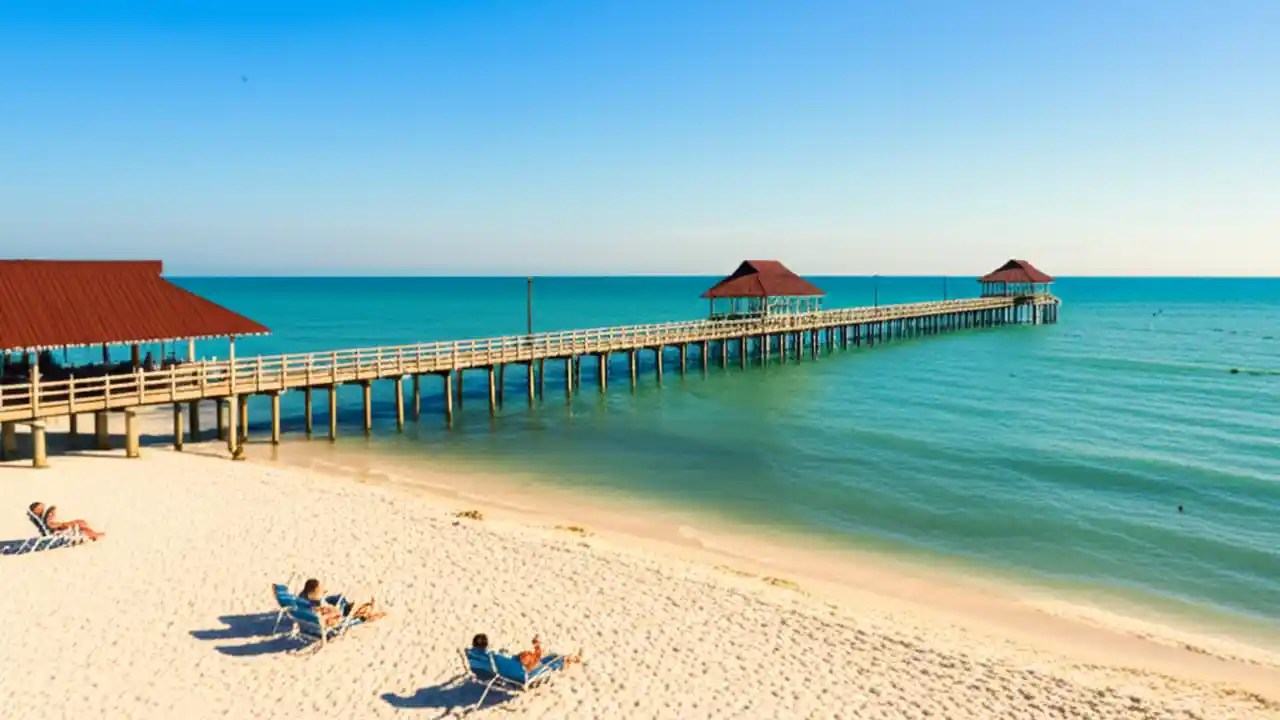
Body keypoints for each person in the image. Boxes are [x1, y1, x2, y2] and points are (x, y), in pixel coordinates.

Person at [297, 578, 384, 626]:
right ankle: (365, 615)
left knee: (338, 599)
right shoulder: (320, 606)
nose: (322, 589)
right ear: (315, 591)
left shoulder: (301, 600)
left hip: (313, 617)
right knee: (352, 608)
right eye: (320, 588)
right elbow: (337, 615)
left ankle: (361, 609)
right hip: (333, 618)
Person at [29, 502, 104, 541]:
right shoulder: (47, 521)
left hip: (61, 530)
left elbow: (58, 525)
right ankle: (95, 535)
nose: (53, 514)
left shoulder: (45, 520)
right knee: (81, 527)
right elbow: (55, 526)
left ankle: (94, 535)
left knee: (81, 525)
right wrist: (71, 524)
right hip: (60, 533)